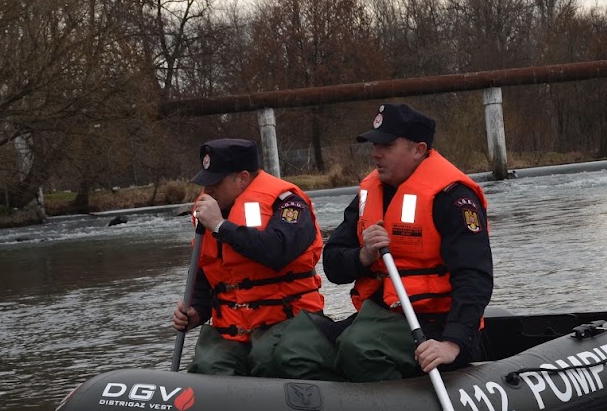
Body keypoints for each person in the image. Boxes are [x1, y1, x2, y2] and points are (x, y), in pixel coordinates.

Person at [315, 102, 493, 381]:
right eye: (374, 146)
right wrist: (363, 256)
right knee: (300, 344)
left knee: (360, 347)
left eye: (385, 146)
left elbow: (475, 277)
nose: (375, 154)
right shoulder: (368, 194)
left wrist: (453, 342)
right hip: (379, 319)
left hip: (435, 326)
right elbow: (334, 265)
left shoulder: (453, 199)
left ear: (418, 150)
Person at [170, 138, 332, 377]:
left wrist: (221, 226)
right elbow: (208, 269)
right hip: (233, 326)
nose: (207, 191)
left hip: (288, 320)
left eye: (215, 182)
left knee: (268, 359)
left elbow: (278, 251)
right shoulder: (209, 213)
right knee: (208, 366)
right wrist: (196, 309)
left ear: (242, 178)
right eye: (205, 183)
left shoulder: (289, 203)